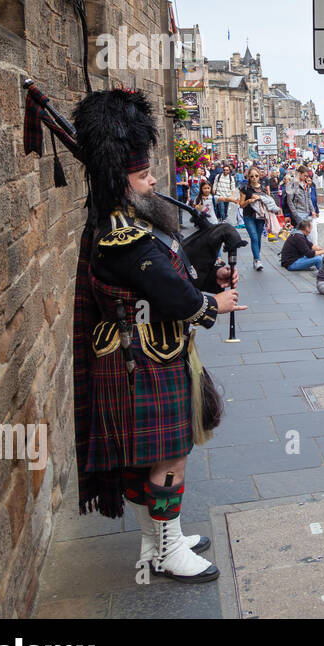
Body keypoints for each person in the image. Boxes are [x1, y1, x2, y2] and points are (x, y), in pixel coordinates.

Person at [69, 88, 242, 583]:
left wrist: (210, 277)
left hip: (142, 353)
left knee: (153, 460)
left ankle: (158, 540)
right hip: (142, 359)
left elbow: (170, 272)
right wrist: (213, 303)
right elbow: (170, 292)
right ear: (120, 182)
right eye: (143, 175)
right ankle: (168, 552)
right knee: (168, 458)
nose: (152, 182)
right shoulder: (121, 234)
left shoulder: (123, 223)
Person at [238, 173, 279, 271]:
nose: (254, 178)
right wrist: (249, 201)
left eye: (256, 176)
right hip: (248, 216)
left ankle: (256, 257)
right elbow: (241, 204)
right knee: (254, 237)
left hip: (260, 215)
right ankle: (257, 259)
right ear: (249, 177)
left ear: (258, 177)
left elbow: (269, 200)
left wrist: (260, 198)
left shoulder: (263, 188)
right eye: (252, 176)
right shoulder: (245, 188)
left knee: (258, 237)